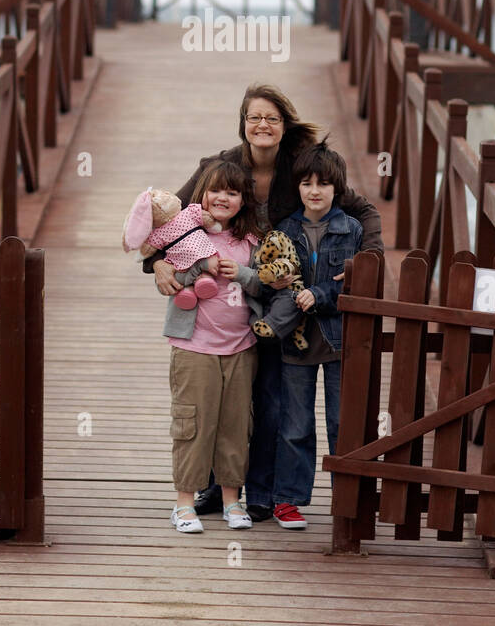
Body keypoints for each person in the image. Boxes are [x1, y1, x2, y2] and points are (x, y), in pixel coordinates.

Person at [146, 84, 382, 519]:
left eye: (272, 118)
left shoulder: (304, 167)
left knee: (270, 400)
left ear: (284, 124)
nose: (263, 125)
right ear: (243, 124)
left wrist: (364, 260)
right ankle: (217, 491)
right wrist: (160, 262)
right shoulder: (219, 167)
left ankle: (260, 494)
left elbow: (363, 211)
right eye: (254, 117)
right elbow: (172, 216)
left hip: (285, 300)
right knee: (224, 403)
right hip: (231, 297)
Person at [257, 142, 362, 528]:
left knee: (340, 422)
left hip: (338, 341)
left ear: (338, 189)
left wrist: (319, 294)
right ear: (297, 187)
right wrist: (277, 284)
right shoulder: (285, 230)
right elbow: (270, 281)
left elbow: (355, 287)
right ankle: (288, 499)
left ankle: (345, 498)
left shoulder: (351, 230)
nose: (314, 191)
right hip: (295, 343)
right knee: (295, 424)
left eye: (323, 184)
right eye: (306, 183)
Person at [163, 159, 264, 534]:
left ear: (243, 200)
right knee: (193, 423)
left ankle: (231, 500)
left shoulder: (251, 240)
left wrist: (243, 274)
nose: (223, 197)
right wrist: (194, 266)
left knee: (235, 424)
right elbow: (166, 266)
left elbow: (265, 285)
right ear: (201, 194)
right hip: (195, 346)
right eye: (216, 190)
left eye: (232, 192)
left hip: (240, 347)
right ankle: (184, 503)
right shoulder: (185, 235)